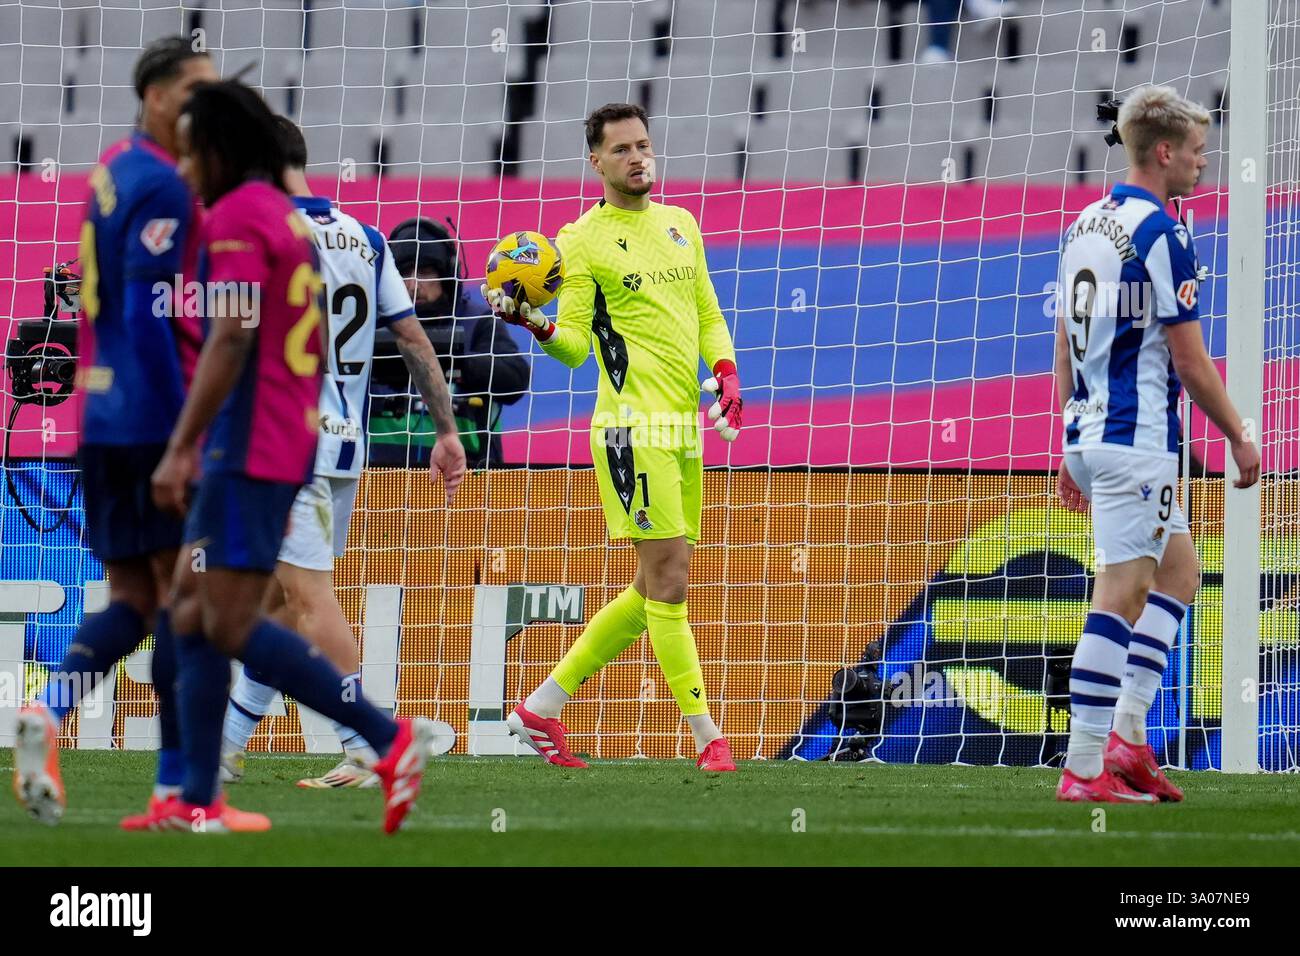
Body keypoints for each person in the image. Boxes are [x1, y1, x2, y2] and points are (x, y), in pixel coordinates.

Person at [125, 80, 434, 834]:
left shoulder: (239, 220)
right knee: (216, 610)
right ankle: (203, 789)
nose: (183, 165)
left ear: (223, 150)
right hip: (297, 440)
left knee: (235, 613)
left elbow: (230, 337)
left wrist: (179, 442)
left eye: (193, 150)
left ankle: (378, 739)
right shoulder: (299, 225)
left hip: (254, 445)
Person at [484, 103, 742, 772]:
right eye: (622, 149)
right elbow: (573, 349)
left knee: (651, 586)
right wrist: (533, 322)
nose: (638, 158)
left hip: (683, 428)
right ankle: (708, 736)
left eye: (644, 145)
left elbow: (708, 312)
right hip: (630, 429)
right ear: (596, 162)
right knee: (672, 581)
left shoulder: (681, 226)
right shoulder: (582, 241)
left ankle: (539, 708)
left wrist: (727, 371)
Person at [12, 36, 224, 827]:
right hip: (149, 421)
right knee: (186, 597)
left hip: (96, 420)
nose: (206, 108)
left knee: (133, 596)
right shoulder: (166, 186)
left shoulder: (109, 171)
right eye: (196, 91)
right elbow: (147, 314)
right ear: (160, 96)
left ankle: (51, 706)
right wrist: (182, 438)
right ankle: (178, 790)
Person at [218, 118, 466, 789]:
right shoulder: (365, 237)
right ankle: (229, 743)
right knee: (274, 601)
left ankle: (371, 743)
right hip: (343, 450)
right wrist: (446, 432)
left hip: (284, 445)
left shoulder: (261, 234)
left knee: (305, 598)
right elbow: (413, 340)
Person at [1053, 84, 1260, 802]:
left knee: (1178, 573)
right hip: (1135, 438)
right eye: (1199, 152)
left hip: (1091, 430)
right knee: (1122, 591)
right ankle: (1083, 769)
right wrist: (1238, 434)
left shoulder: (1085, 222)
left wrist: (1068, 437)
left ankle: (1129, 736)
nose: (1205, 165)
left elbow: (1062, 342)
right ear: (1164, 152)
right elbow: (1190, 361)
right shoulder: (1161, 233)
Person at [369, 217, 530, 470]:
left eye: (424, 273)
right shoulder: (374, 324)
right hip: (379, 477)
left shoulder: (477, 321)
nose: (413, 285)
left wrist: (448, 362)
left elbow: (515, 380)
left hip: (467, 474)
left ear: (448, 274)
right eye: (404, 274)